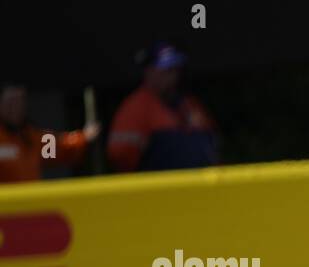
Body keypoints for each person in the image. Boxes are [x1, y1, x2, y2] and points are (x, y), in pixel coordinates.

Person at [108, 43, 217, 172]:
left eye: (175, 69)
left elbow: (211, 145)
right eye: (166, 70)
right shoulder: (135, 108)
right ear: (149, 71)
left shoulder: (189, 104)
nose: (173, 76)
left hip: (197, 183)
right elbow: (120, 157)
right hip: (158, 186)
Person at [0, 83, 99, 182]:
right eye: (10, 101)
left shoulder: (32, 138)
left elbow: (61, 146)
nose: (15, 107)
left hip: (30, 196)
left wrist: (84, 136)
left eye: (19, 101)